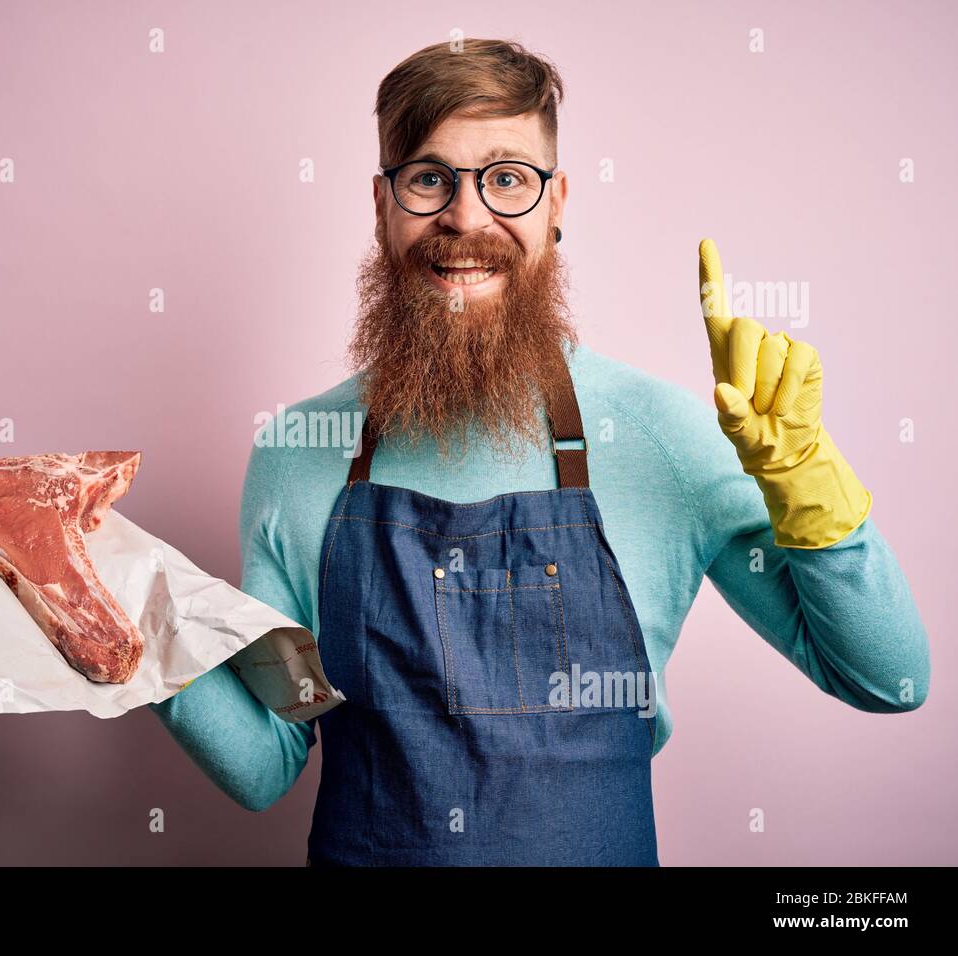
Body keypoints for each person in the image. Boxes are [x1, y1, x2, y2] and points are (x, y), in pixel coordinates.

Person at [148, 38, 929, 866]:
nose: (466, 216)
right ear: (382, 203)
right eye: (428, 178)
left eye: (508, 179)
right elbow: (268, 763)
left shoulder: (661, 437)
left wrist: (807, 479)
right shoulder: (298, 456)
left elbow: (888, 682)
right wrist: (132, 625)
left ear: (557, 204)